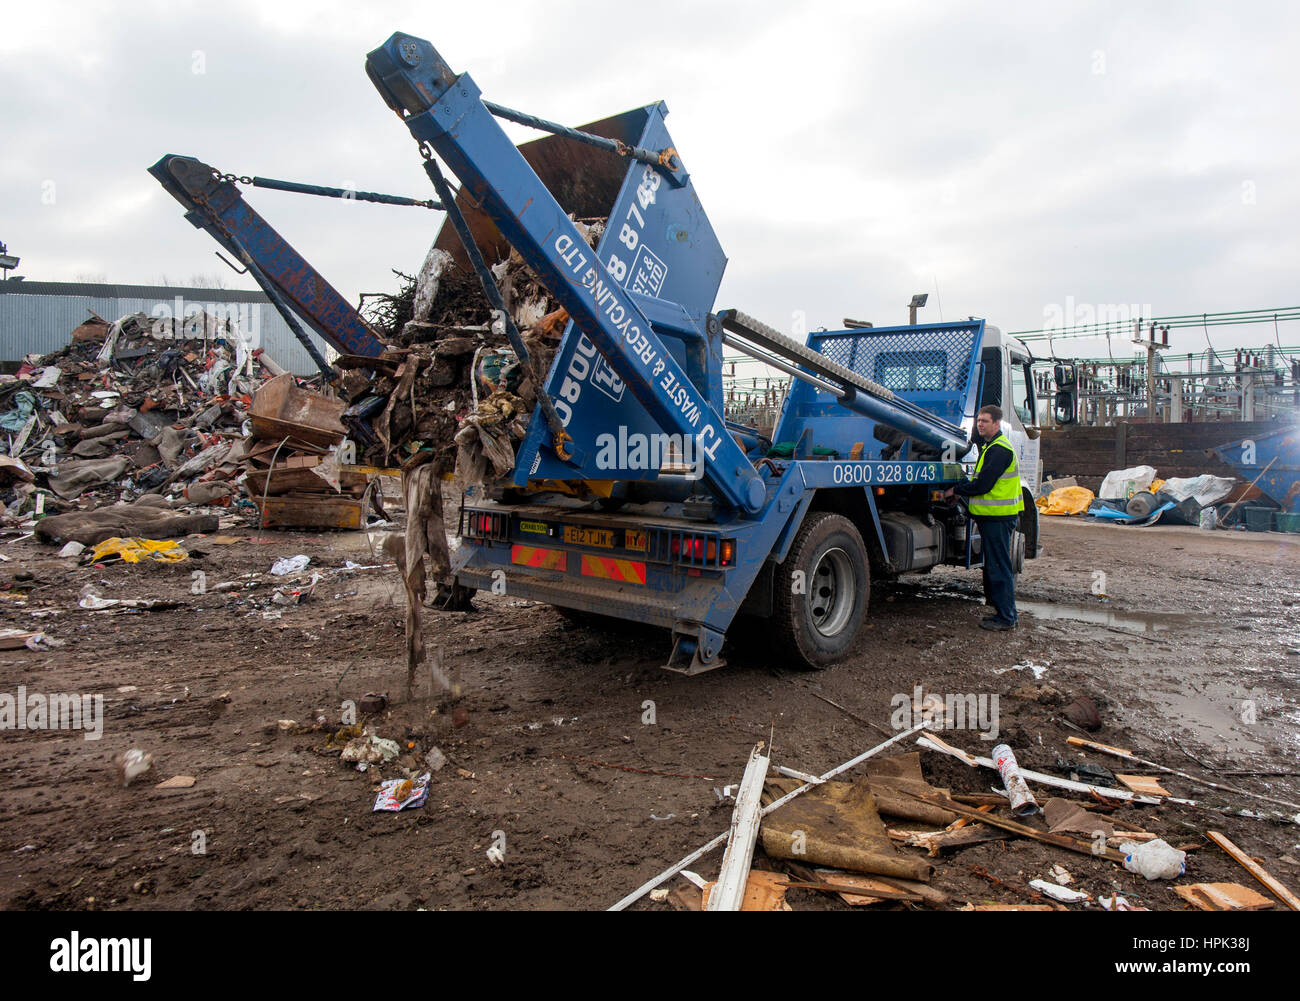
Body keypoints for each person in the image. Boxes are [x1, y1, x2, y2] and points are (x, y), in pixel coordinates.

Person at [947, 405, 1023, 631]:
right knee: (997, 566)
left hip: (998, 519)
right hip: (994, 518)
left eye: (985, 421)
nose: (980, 424)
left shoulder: (999, 450)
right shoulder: (991, 447)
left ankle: (1007, 617)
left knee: (999, 567)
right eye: (979, 420)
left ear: (997, 424)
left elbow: (983, 485)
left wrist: (957, 490)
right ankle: (1004, 613)